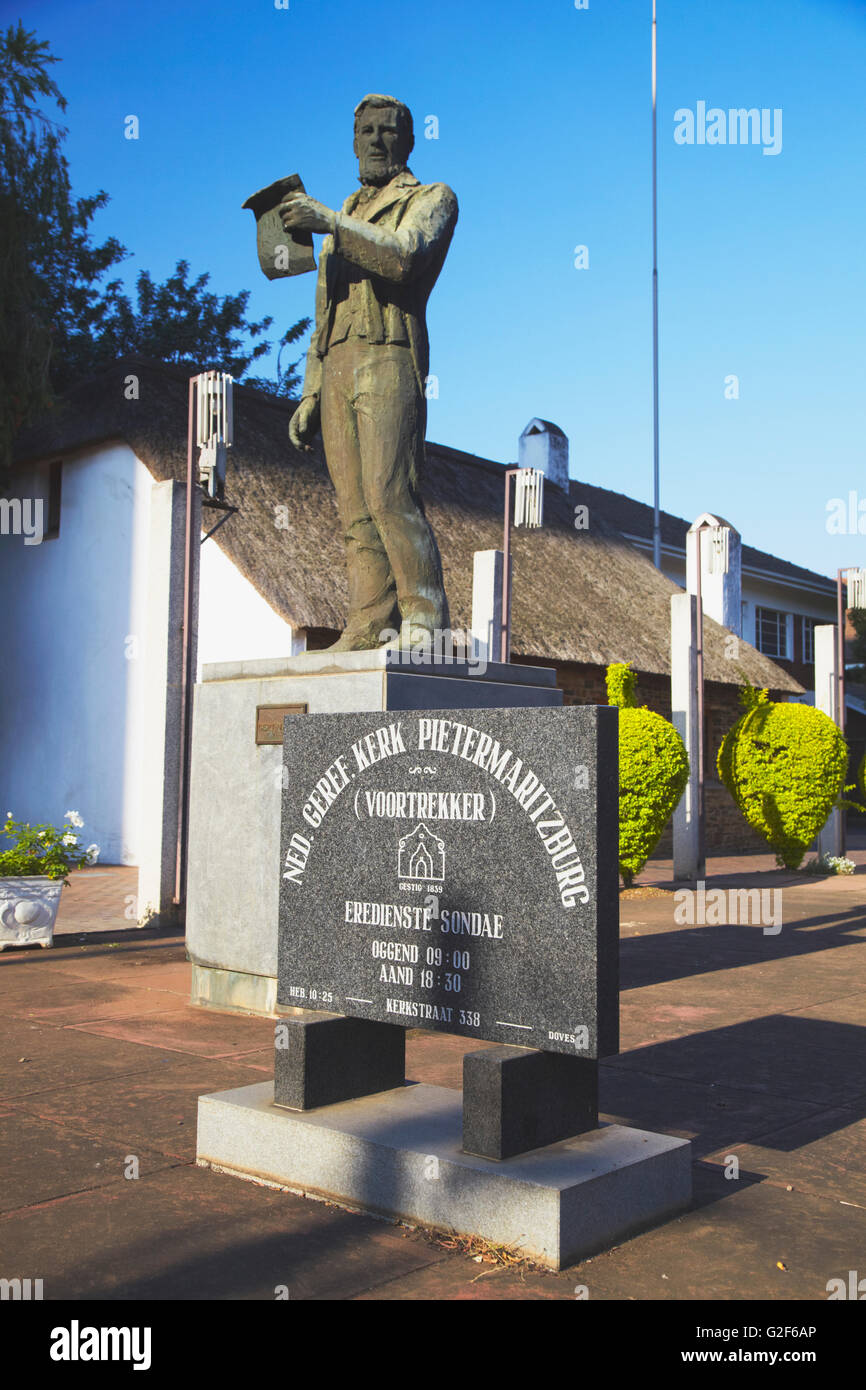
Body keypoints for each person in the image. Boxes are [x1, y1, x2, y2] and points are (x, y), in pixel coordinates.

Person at [279, 94, 457, 651]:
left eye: (388, 131)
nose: (377, 140)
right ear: (354, 143)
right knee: (354, 506)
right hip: (337, 362)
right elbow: (322, 310)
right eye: (367, 132)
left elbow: (403, 256)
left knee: (388, 492)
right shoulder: (343, 216)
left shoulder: (432, 198)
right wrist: (310, 390)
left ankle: (424, 618)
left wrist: (328, 220)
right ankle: (368, 622)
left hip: (388, 355)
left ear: (407, 141)